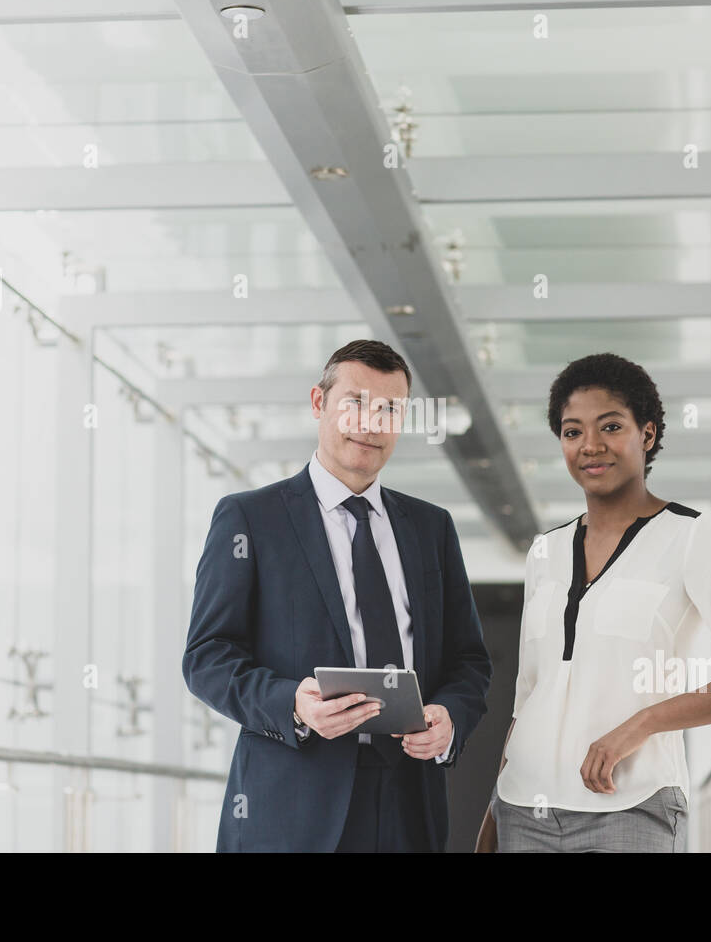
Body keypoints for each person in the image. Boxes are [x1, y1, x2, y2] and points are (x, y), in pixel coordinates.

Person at [475, 353, 711, 853]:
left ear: (647, 434)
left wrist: (641, 724)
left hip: (631, 806)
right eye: (572, 432)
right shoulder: (545, 550)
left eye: (610, 426)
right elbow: (528, 695)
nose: (591, 446)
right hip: (524, 811)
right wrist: (493, 815)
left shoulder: (695, 535)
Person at [184, 339, 491, 852]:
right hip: (293, 806)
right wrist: (294, 706)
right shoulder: (250, 520)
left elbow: (468, 660)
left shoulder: (431, 527)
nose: (371, 423)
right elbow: (207, 657)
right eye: (355, 402)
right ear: (318, 403)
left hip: (409, 804)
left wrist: (451, 718)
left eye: (389, 409)